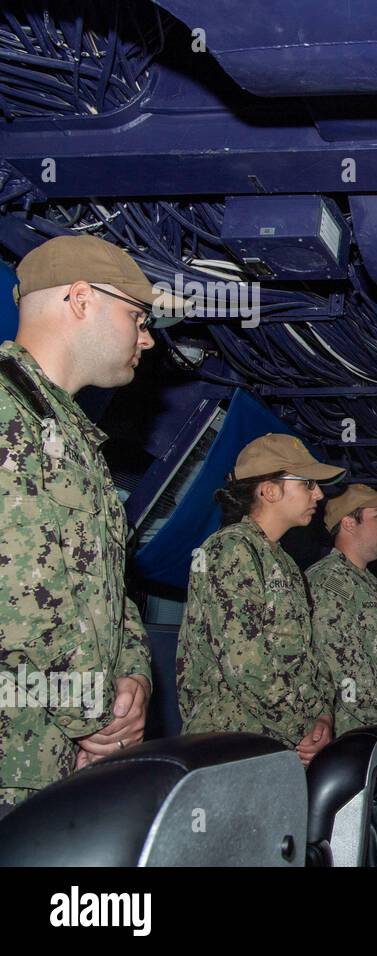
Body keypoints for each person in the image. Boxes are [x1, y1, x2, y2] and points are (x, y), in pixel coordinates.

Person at [1, 235, 184, 817]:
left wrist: (133, 677)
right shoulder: (7, 413)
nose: (147, 337)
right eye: (137, 316)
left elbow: (109, 589)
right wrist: (90, 714)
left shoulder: (77, 439)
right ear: (80, 299)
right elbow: (18, 593)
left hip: (57, 763)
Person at [176, 433, 342, 766]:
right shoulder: (231, 549)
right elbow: (246, 663)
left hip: (278, 744)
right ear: (268, 490)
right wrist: (301, 728)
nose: (319, 494)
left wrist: (322, 717)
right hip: (232, 745)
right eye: (308, 483)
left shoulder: (283, 562)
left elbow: (308, 653)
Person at [306, 483, 377, 754]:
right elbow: (346, 670)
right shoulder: (327, 581)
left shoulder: (374, 586)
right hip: (353, 741)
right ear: (348, 523)